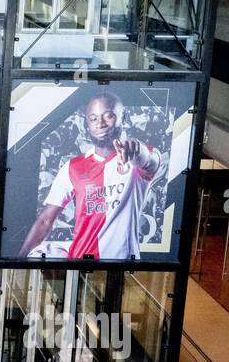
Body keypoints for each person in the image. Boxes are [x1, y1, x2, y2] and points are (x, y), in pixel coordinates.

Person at [16, 91, 161, 260]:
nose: (100, 124)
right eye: (93, 118)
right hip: (80, 262)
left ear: (123, 117)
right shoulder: (73, 167)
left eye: (108, 116)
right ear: (87, 124)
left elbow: (149, 161)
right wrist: (19, 261)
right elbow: (45, 221)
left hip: (121, 264)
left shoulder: (138, 159)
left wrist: (137, 151)